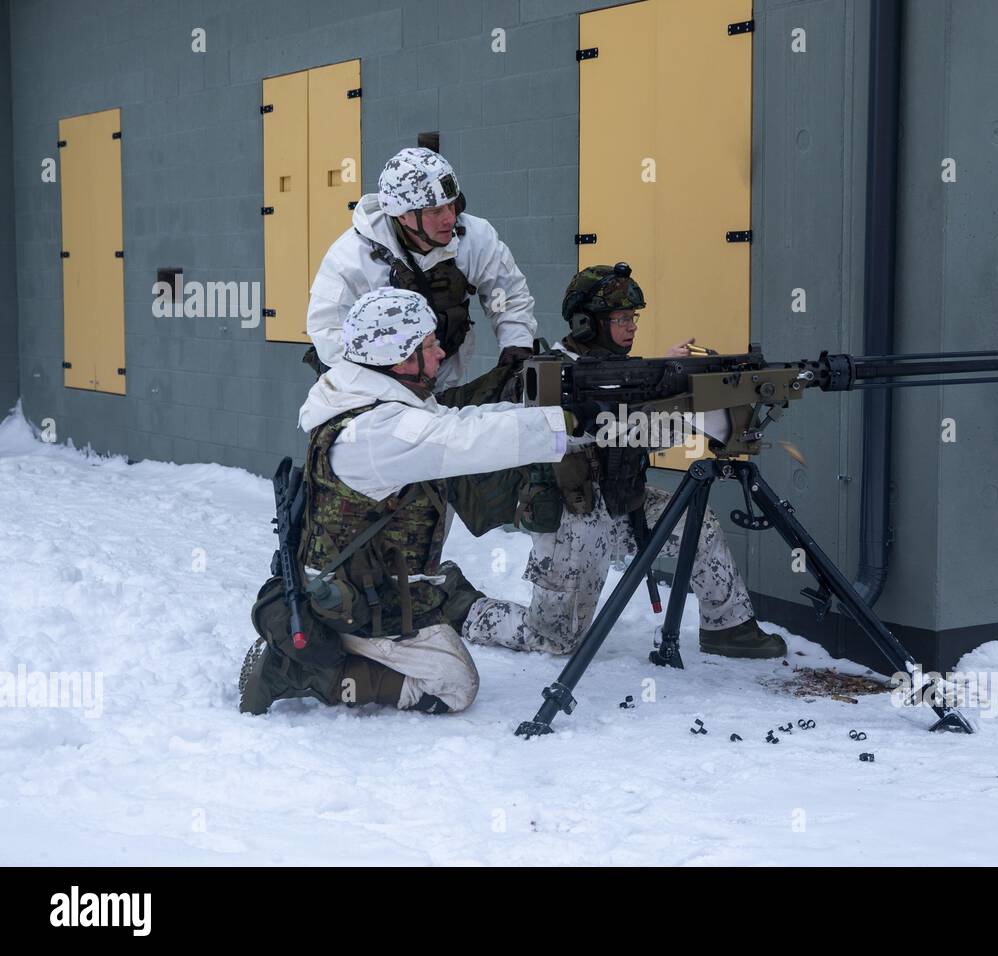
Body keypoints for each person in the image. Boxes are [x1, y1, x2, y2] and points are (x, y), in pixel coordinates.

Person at [239, 288, 590, 717]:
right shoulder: (377, 433)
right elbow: (465, 441)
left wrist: (557, 422)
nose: (441, 352)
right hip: (359, 601)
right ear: (399, 357)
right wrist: (559, 426)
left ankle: (412, 610)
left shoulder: (371, 400)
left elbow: (457, 422)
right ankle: (300, 671)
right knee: (454, 686)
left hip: (366, 579)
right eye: (428, 345)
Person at [463, 263, 787, 660]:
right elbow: (552, 430)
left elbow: (648, 437)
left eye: (633, 317)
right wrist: (614, 412)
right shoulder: (545, 373)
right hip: (573, 519)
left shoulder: (630, 373)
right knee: (555, 639)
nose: (631, 327)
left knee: (697, 524)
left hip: (624, 502)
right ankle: (464, 607)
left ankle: (729, 627)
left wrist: (679, 390)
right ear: (587, 323)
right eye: (620, 319)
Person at [305, 147, 536, 392]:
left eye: (452, 205)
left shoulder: (475, 238)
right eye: (435, 211)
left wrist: (516, 347)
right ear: (402, 215)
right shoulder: (351, 260)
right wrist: (392, 390)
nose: (449, 218)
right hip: (373, 390)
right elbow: (329, 334)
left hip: (443, 379)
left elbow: (506, 298)